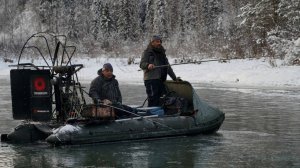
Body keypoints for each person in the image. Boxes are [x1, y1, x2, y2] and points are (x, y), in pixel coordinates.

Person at [140, 35, 181, 107]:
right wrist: (148, 65)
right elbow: (142, 64)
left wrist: (174, 78)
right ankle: (151, 114)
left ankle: (160, 114)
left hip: (161, 80)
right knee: (153, 99)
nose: (159, 43)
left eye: (160, 42)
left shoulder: (162, 53)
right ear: (152, 43)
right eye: (157, 42)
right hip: (151, 80)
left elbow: (167, 67)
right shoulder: (147, 52)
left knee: (162, 98)